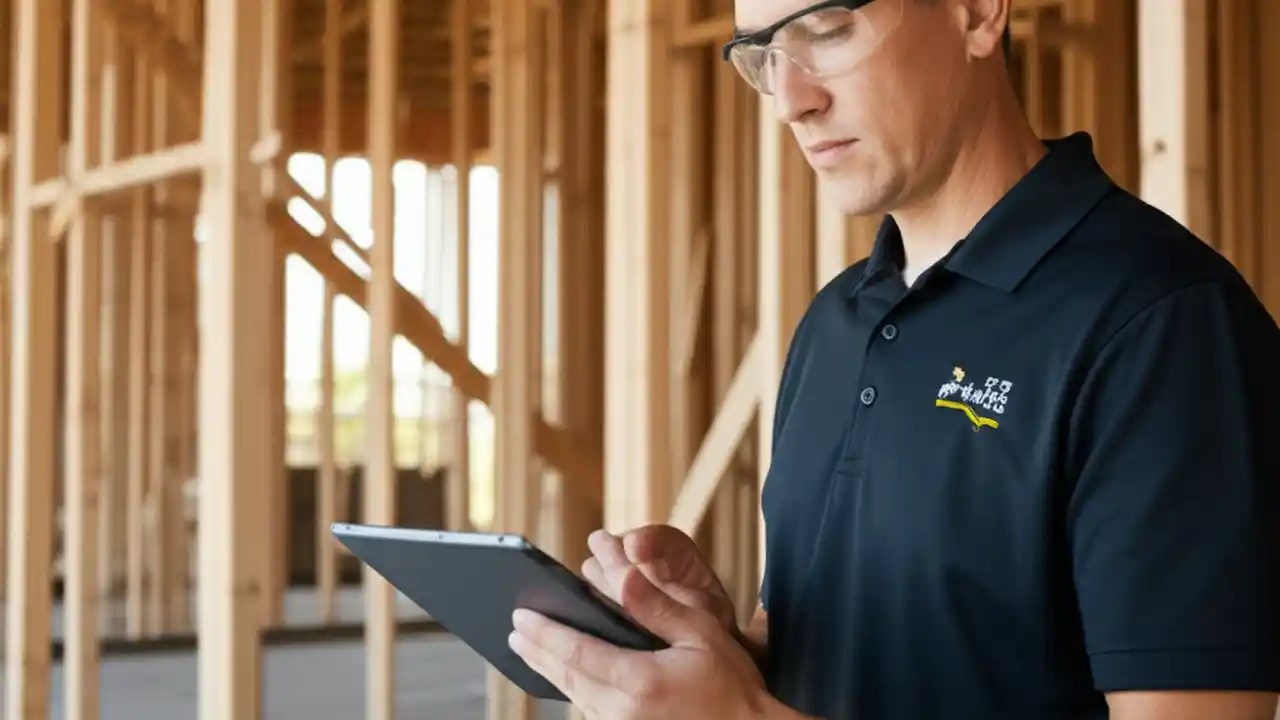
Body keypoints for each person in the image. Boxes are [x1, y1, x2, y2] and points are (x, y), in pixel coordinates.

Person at [507, 0, 1280, 717]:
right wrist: (725, 650)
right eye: (764, 54)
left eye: (827, 29)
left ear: (976, 12)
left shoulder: (1163, 325)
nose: (790, 100)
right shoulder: (836, 322)